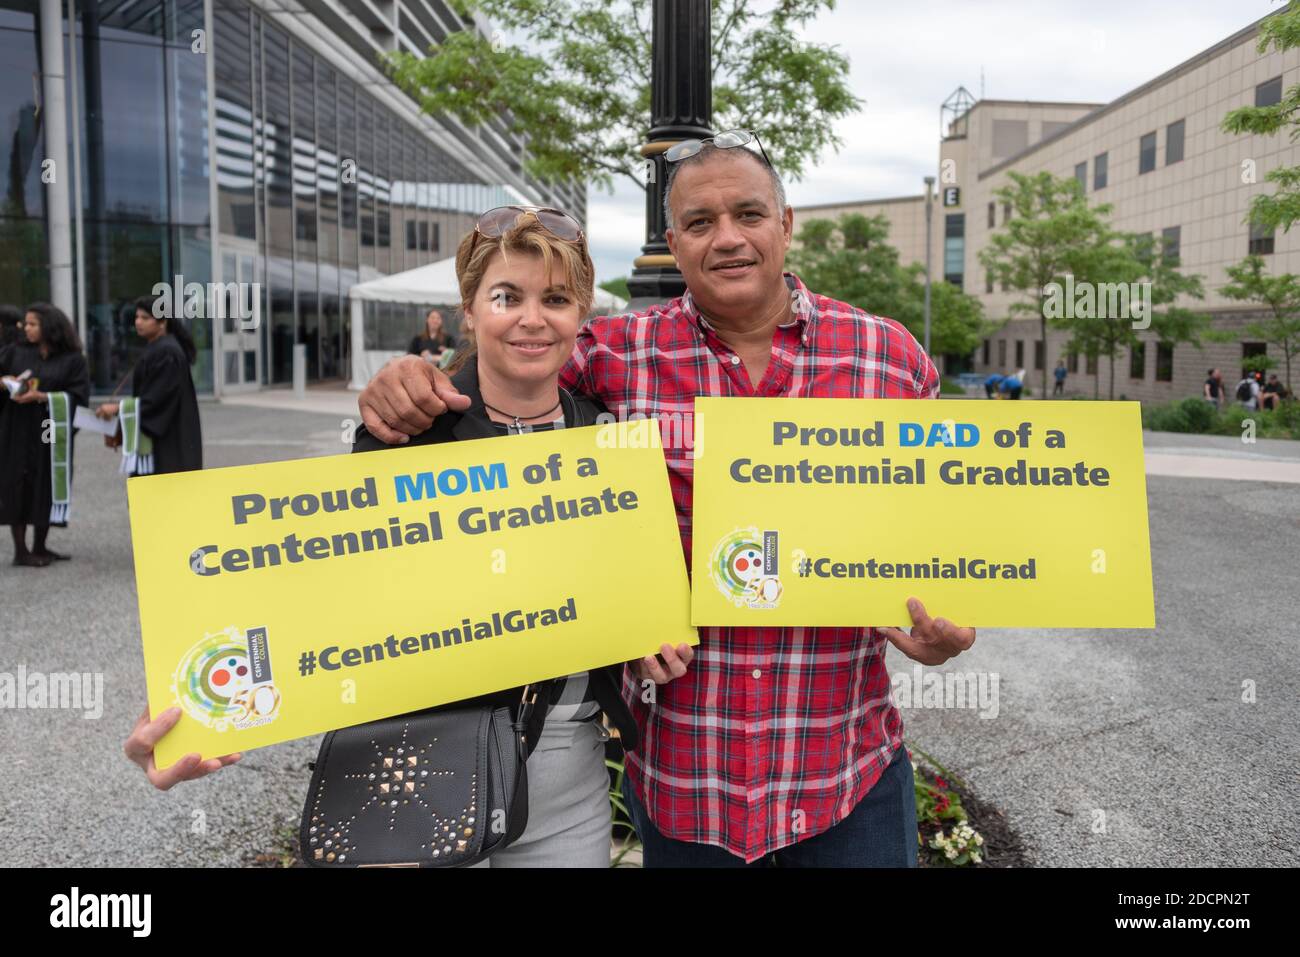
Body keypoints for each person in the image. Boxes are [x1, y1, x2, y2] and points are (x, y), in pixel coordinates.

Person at [356, 131, 977, 867]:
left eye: (748, 214)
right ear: (673, 245)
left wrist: (949, 626)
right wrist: (412, 380)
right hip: (687, 789)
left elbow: (941, 539)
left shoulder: (892, 359)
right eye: (699, 223)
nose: (728, 238)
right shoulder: (613, 356)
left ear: (786, 223)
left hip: (847, 777)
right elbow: (512, 360)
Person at [123, 207, 694, 868]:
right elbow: (301, 581)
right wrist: (189, 709)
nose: (533, 318)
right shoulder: (403, 434)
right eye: (507, 296)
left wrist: (650, 645)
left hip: (570, 791)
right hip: (414, 771)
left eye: (557, 299)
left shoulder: (611, 441)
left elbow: (617, 602)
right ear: (469, 311)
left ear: (581, 314)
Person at [0, 302, 90, 566]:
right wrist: (6, 382)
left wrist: (43, 396)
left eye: (32, 324)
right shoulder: (16, 352)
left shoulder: (72, 360)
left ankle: (40, 545)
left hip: (49, 430)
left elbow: (78, 395)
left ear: (49, 327)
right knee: (18, 484)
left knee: (46, 483)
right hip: (17, 429)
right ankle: (21, 550)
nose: (25, 329)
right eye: (25, 323)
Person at [93, 296, 202, 475]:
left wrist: (118, 408)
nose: (138, 322)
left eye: (145, 318)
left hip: (168, 443)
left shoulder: (167, 352)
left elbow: (157, 401)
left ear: (162, 322)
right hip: (160, 440)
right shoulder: (158, 348)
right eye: (136, 317)